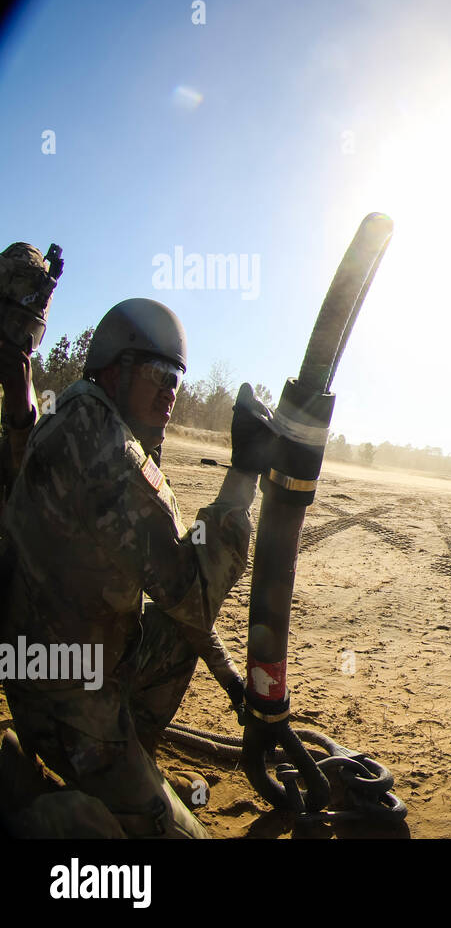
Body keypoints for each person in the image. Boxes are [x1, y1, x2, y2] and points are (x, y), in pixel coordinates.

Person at [0, 297, 276, 837]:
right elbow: (192, 591)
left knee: (170, 630)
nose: (172, 390)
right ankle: (45, 815)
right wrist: (243, 473)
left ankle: (121, 764)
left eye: (177, 376)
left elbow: (184, 615)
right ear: (116, 367)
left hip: (55, 673)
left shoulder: (77, 413)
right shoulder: (104, 448)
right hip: (72, 711)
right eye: (160, 372)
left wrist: (230, 680)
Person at [0, 242, 61, 514]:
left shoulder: (20, 383)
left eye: (32, 333)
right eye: (15, 327)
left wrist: (22, 418)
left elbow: (28, 495)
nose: (23, 346)